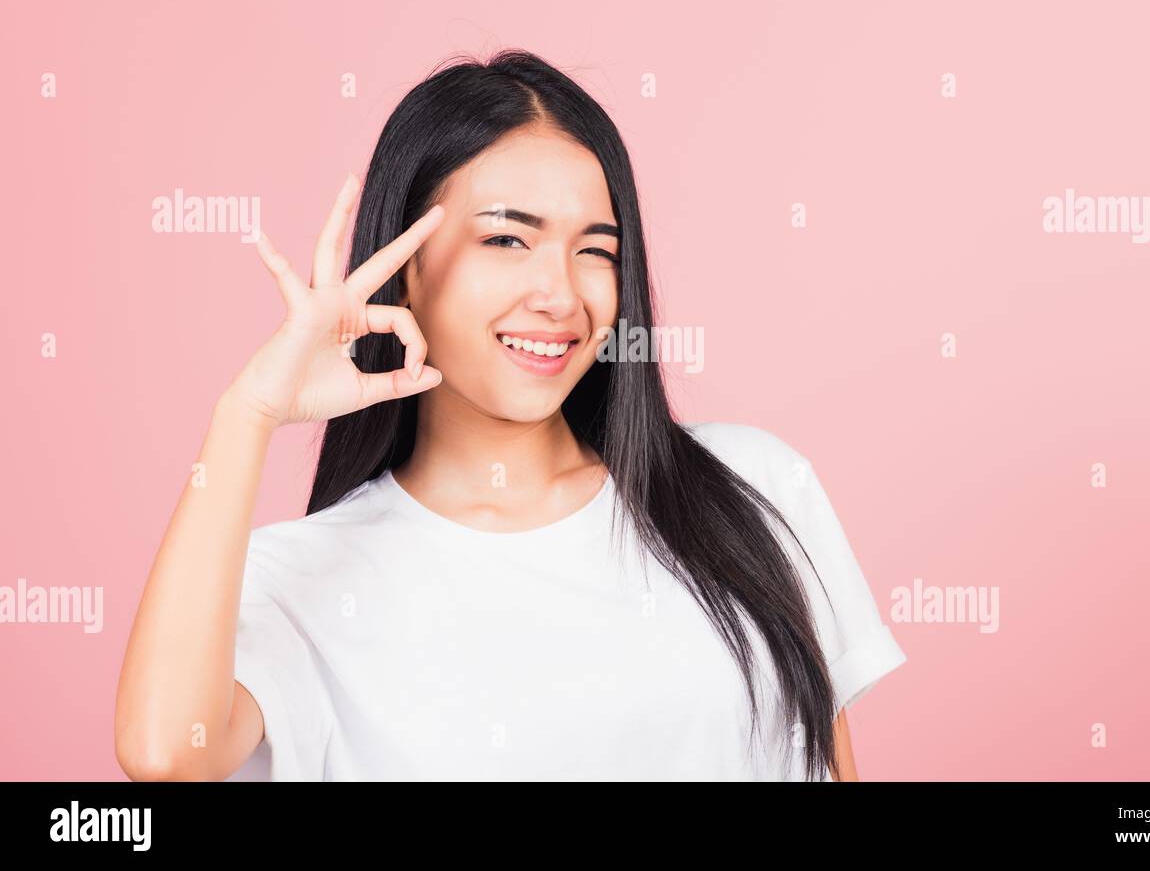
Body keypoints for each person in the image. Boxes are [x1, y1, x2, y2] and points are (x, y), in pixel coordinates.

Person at [114, 50, 906, 782]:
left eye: (595, 249)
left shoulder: (753, 488)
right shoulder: (305, 581)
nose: (560, 295)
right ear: (404, 268)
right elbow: (160, 752)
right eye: (506, 239)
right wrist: (247, 412)